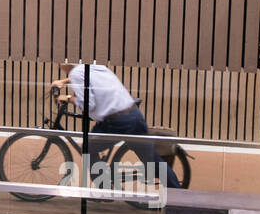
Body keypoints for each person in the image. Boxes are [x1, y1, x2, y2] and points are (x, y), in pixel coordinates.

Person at [51, 62, 180, 189]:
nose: (59, 66)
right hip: (134, 114)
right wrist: (64, 81)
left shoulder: (76, 73)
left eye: (59, 63)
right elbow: (85, 75)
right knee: (152, 161)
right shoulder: (95, 67)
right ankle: (180, 197)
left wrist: (67, 98)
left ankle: (105, 189)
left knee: (88, 148)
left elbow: (88, 104)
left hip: (115, 122)